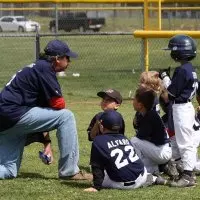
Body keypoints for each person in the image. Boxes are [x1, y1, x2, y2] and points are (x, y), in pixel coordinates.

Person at [0, 39, 90, 180]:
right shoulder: (45, 68)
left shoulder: (37, 67)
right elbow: (58, 104)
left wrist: (46, 142)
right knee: (66, 116)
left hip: (6, 121)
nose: (69, 61)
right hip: (15, 114)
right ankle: (70, 171)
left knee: (9, 170)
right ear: (57, 58)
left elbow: (41, 111)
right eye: (67, 57)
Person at [159, 34, 198, 187]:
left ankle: (188, 176)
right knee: (183, 142)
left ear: (179, 52)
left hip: (182, 108)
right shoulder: (191, 69)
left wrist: (165, 77)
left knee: (184, 143)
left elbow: (170, 94)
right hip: (186, 107)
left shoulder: (182, 70)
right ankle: (187, 172)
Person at [84, 110, 148, 192]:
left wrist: (96, 186)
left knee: (102, 173)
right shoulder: (124, 138)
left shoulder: (98, 140)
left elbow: (97, 166)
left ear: (101, 126)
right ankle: (153, 178)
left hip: (122, 184)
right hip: (142, 176)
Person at [130, 87, 172, 174]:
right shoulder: (144, 113)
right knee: (137, 143)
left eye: (134, 100)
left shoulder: (150, 116)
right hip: (158, 149)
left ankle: (147, 168)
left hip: (162, 152)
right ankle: (162, 167)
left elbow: (140, 137)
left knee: (134, 141)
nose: (132, 101)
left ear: (140, 105)